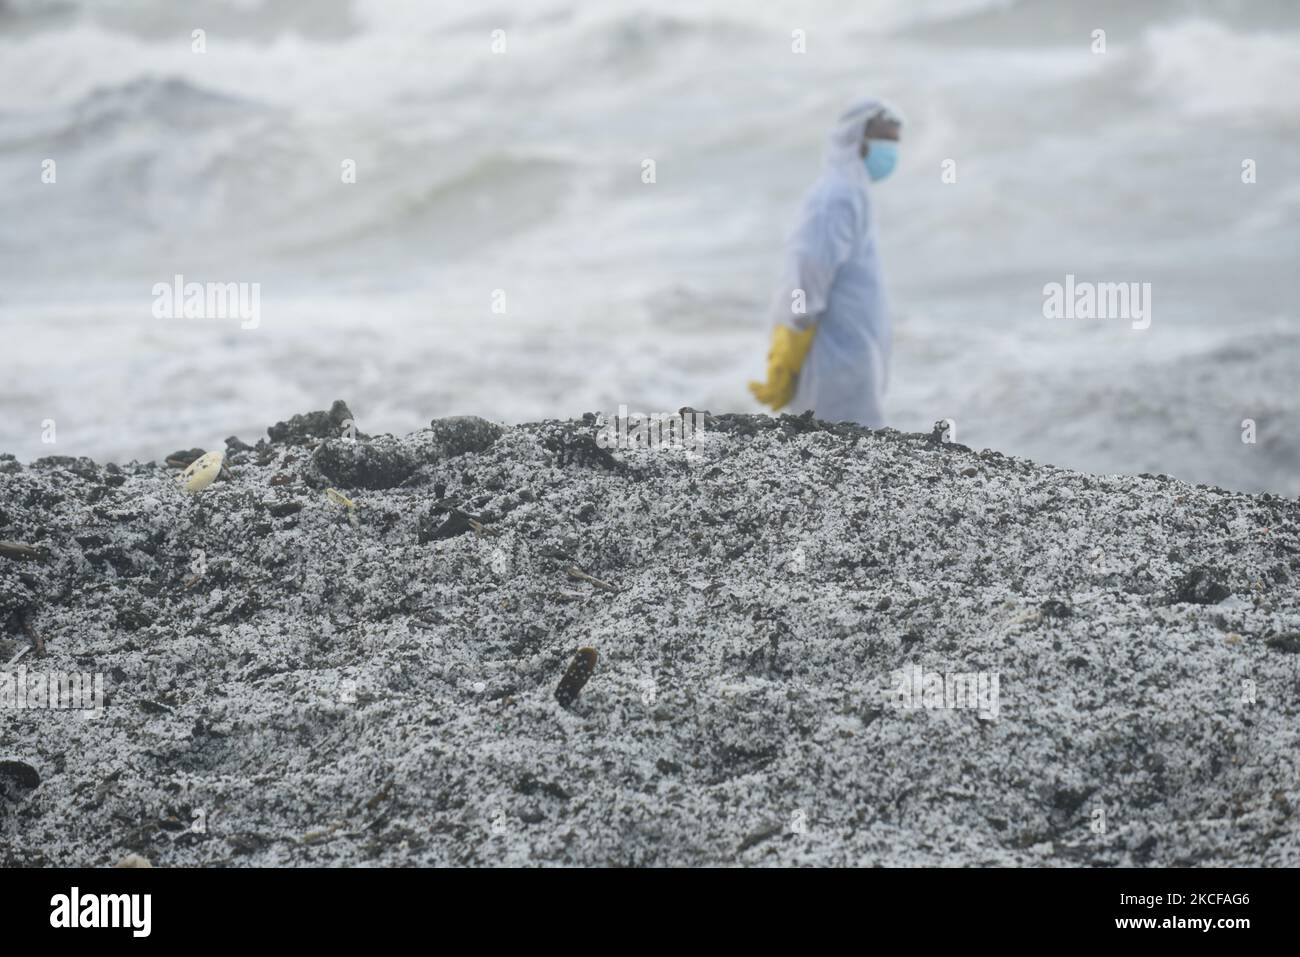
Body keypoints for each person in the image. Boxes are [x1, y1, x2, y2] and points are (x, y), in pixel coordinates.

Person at [749, 98, 903, 427]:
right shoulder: (836, 197)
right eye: (884, 139)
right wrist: (795, 329)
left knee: (854, 452)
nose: (890, 150)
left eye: (894, 141)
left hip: (851, 351)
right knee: (836, 450)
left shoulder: (853, 194)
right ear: (857, 139)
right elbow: (808, 267)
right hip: (832, 356)